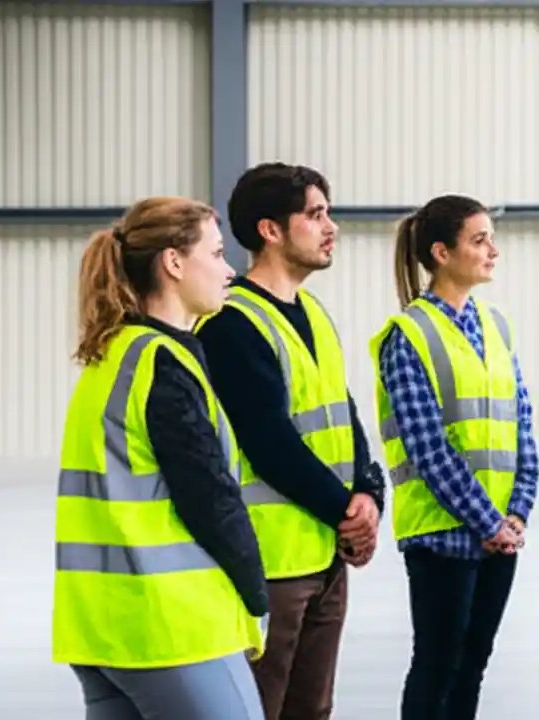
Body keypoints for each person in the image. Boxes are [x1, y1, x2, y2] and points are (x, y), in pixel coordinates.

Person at [52, 197, 268, 719]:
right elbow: (210, 497)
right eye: (216, 254)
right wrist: (257, 595)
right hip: (171, 628)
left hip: (100, 626)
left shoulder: (109, 357)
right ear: (174, 263)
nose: (230, 270)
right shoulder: (162, 363)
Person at [194, 163, 387, 720]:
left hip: (327, 553)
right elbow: (268, 441)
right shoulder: (232, 322)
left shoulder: (314, 315)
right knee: (262, 709)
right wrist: (346, 510)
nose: (332, 227)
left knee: (313, 710)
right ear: (270, 230)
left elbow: (345, 419)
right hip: (272, 565)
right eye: (315, 214)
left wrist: (369, 496)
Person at [366, 194, 539, 720]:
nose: (493, 250)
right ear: (441, 252)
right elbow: (427, 447)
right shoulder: (408, 336)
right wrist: (489, 521)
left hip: (498, 535)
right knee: (438, 665)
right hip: (442, 533)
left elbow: (522, 426)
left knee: (473, 665)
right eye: (480, 239)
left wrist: (517, 513)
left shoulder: (497, 327)